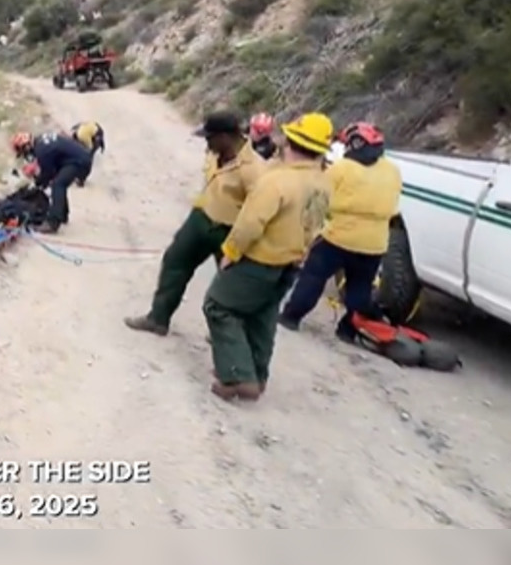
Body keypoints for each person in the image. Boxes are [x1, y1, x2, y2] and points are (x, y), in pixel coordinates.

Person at [204, 112, 334, 401]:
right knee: (263, 315)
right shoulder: (324, 183)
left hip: (259, 261)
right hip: (291, 264)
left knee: (219, 306)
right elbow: (320, 224)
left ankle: (237, 376)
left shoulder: (276, 182)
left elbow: (250, 224)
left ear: (288, 143)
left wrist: (230, 252)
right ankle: (257, 376)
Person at [124, 111, 266, 336]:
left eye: (209, 138)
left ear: (225, 137)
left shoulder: (256, 170)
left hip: (229, 232)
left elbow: (258, 211)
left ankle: (227, 342)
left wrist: (237, 248)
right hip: (200, 219)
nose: (206, 143)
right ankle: (158, 319)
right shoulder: (214, 153)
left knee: (228, 288)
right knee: (174, 263)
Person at [278, 122, 403, 342]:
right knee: (360, 289)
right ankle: (347, 331)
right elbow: (394, 207)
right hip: (374, 243)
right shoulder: (393, 171)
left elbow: (320, 202)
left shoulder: (341, 169)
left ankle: (291, 316)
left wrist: (305, 230)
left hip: (338, 237)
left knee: (313, 278)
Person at [11, 131, 92, 234]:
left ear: (26, 147)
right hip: (78, 157)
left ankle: (53, 223)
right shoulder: (41, 142)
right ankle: (62, 214)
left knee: (58, 184)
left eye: (24, 152)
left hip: (79, 162)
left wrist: (37, 184)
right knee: (59, 181)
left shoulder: (42, 151)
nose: (26, 155)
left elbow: (47, 174)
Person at [69, 121, 105, 186]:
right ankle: (78, 176)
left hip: (91, 139)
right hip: (87, 136)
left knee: (86, 159)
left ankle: (80, 178)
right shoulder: (83, 131)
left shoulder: (95, 135)